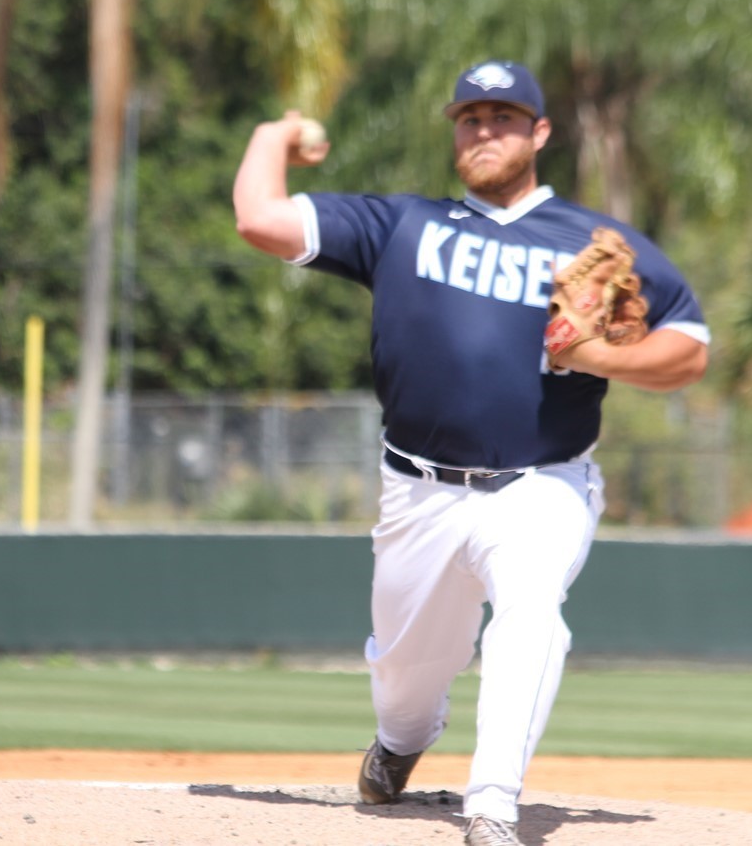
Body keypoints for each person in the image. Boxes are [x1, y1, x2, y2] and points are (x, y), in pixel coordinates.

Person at [231, 59, 709, 846]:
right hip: (417, 490)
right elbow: (260, 219)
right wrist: (272, 132)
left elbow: (689, 349)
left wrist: (600, 358)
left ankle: (492, 805)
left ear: (540, 132)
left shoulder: (596, 242)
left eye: (504, 117)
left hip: (542, 482)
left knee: (532, 616)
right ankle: (402, 742)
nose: (484, 130)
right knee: (407, 676)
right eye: (470, 118)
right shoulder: (401, 226)